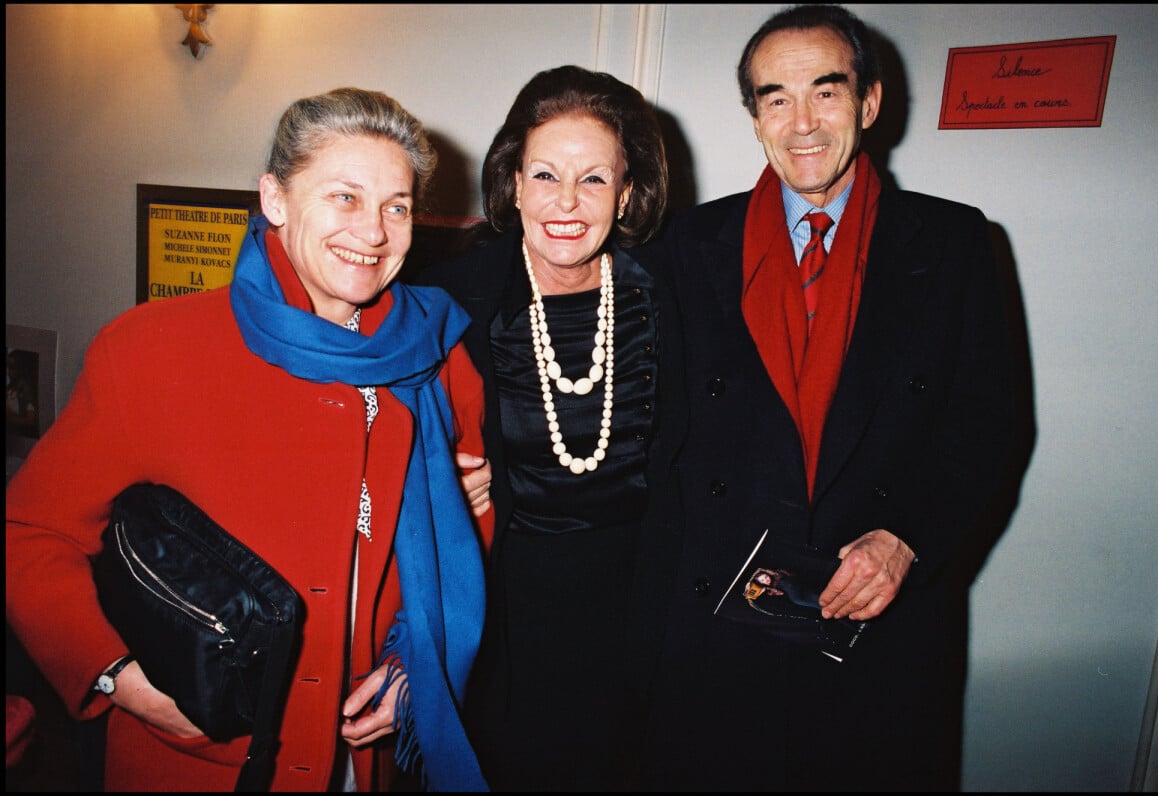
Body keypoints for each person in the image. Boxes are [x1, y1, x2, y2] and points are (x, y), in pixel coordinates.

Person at [5, 87, 493, 792]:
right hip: (196, 757)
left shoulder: (438, 353)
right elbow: (28, 532)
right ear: (276, 199)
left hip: (363, 763)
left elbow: (473, 520)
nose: (376, 231)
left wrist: (414, 664)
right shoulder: (150, 350)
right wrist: (118, 675)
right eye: (345, 197)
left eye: (397, 206)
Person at [630, 4, 1017, 791]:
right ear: (754, 117)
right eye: (776, 98)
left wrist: (906, 537)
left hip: (874, 624)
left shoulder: (956, 244)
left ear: (869, 102)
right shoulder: (685, 244)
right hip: (716, 630)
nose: (801, 123)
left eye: (826, 92)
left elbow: (993, 430)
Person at [411, 64, 670, 791]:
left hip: (637, 613)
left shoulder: (675, 296)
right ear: (514, 183)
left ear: (626, 193)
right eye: (546, 174)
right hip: (502, 617)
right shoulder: (446, 300)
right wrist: (435, 477)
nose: (567, 201)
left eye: (594, 180)